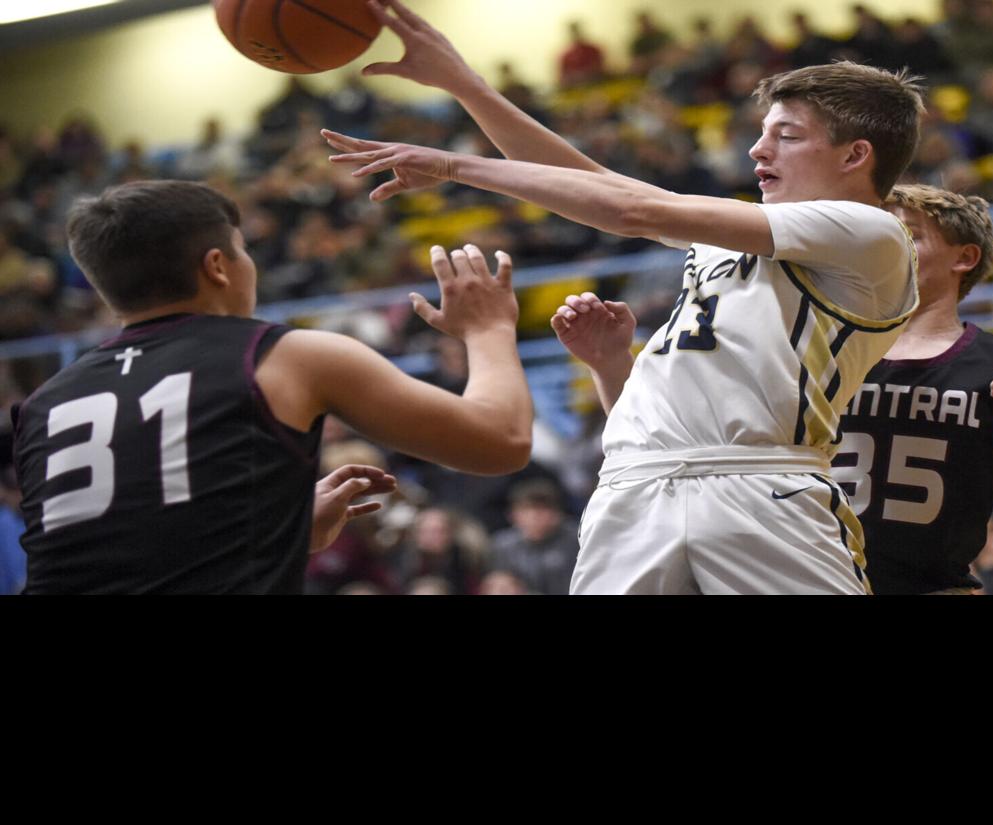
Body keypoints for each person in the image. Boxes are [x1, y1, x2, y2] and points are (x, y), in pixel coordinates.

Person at [330, 0, 924, 594]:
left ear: (855, 156)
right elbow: (596, 184)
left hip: (760, 484)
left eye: (786, 136)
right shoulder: (730, 233)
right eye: (762, 133)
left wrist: (454, 165)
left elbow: (629, 210)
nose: (757, 151)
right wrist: (465, 85)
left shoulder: (867, 232)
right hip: (634, 483)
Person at [556, 184, 993, 594]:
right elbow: (669, 449)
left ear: (963, 258)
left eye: (909, 235)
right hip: (778, 571)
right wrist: (611, 365)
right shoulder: (796, 341)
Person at [9, 179, 532, 593]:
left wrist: (285, 531)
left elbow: (117, 554)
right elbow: (500, 439)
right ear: (218, 266)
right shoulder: (286, 357)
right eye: (242, 249)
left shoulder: (42, 404)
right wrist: (487, 330)